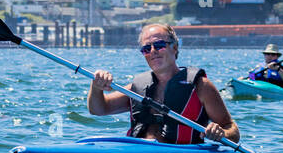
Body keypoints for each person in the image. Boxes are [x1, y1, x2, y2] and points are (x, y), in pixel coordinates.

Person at [87, 23, 238, 144]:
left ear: (175, 47)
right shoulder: (136, 88)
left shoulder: (201, 87)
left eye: (159, 45)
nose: (153, 51)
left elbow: (233, 130)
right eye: (147, 48)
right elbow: (99, 109)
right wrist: (96, 86)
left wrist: (221, 133)